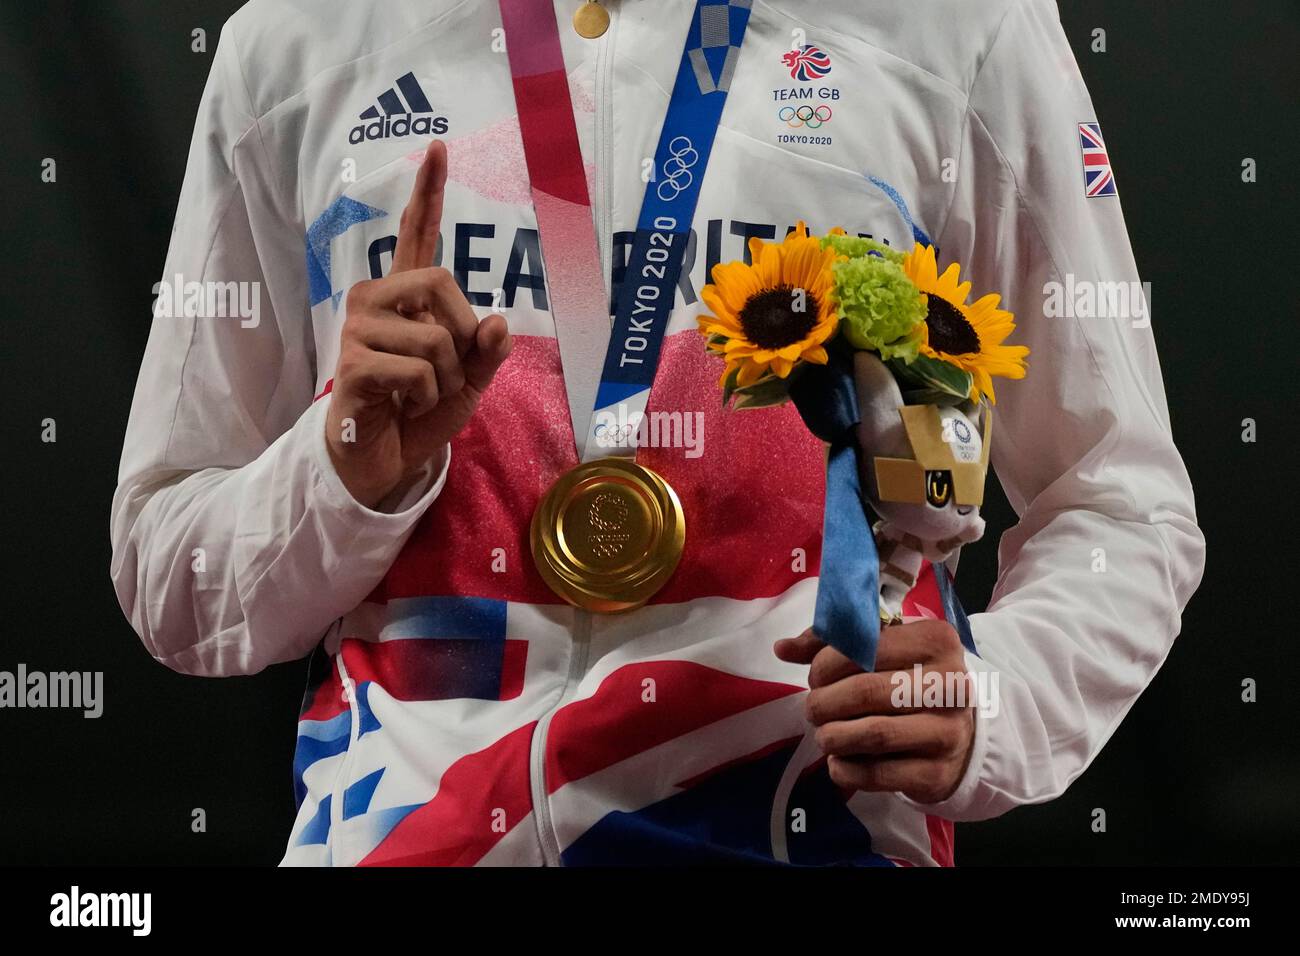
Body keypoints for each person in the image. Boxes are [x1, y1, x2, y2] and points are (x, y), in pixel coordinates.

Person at [111, 0, 1204, 866]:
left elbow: (1122, 501)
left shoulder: (960, 28)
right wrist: (341, 467)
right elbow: (172, 570)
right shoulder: (292, 45)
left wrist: (995, 698)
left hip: (805, 833)